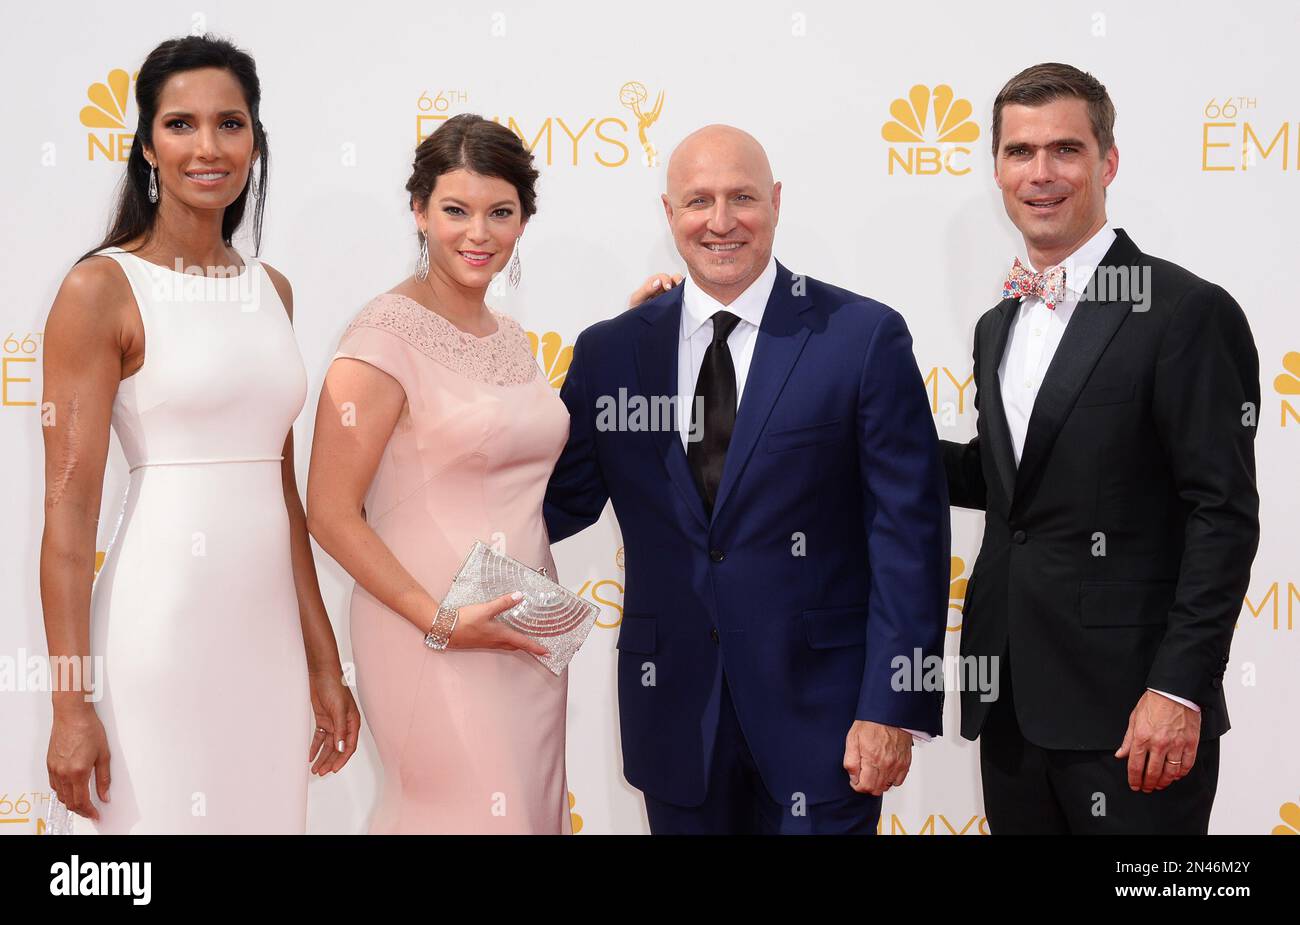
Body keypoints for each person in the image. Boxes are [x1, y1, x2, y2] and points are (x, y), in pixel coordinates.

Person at [545, 124, 949, 834]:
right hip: (674, 718)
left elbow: (908, 536)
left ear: (778, 201)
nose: (721, 221)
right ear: (668, 213)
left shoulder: (860, 337)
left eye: (743, 197)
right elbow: (555, 501)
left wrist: (892, 706)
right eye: (698, 200)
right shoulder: (613, 351)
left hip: (826, 723)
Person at [40, 34, 358, 835]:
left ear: (256, 140)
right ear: (146, 144)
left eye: (231, 123)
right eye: (180, 125)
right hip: (161, 626)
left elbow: (283, 495)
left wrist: (323, 658)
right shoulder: (100, 288)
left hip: (269, 641)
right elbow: (70, 522)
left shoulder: (270, 289)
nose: (208, 148)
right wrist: (71, 706)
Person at [941, 63, 1260, 834]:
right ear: (996, 169)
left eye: (1064, 150)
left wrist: (1179, 689)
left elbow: (1222, 513)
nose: (1040, 173)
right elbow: (1008, 484)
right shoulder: (997, 325)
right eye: (1019, 152)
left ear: (1107, 162)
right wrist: (851, 413)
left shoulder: (1185, 311)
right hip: (1012, 699)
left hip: (1133, 716)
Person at [306, 114, 571, 834]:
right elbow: (329, 510)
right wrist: (441, 620)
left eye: (500, 212)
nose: (477, 233)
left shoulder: (513, 339)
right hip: (427, 634)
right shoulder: (380, 335)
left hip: (524, 639)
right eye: (455, 210)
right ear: (418, 211)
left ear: (524, 218)